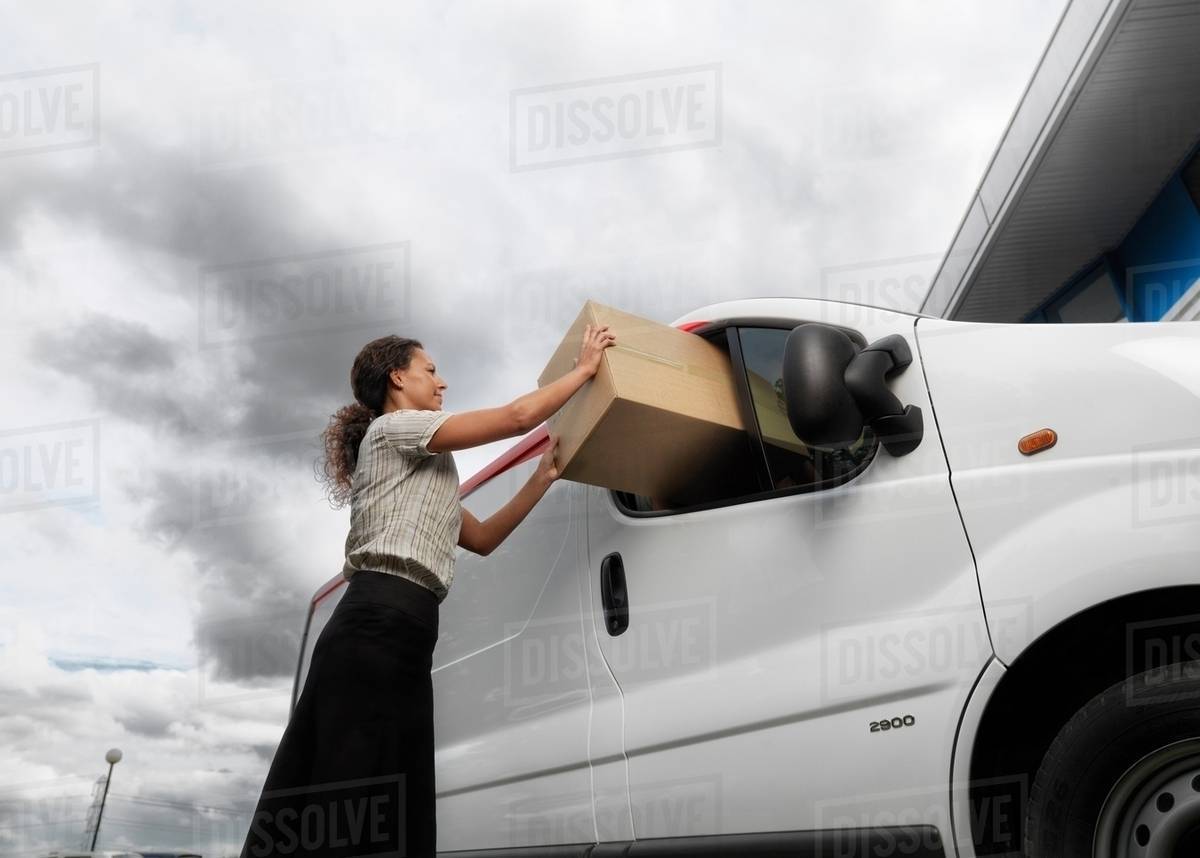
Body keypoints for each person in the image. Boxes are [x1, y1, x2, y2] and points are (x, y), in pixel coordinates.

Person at [239, 323, 616, 858]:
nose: (441, 384)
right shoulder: (394, 430)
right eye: (431, 371)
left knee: (394, 803)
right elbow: (516, 417)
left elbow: (482, 538)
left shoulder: (428, 472)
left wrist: (542, 479)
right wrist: (584, 368)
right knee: (348, 798)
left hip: (408, 633)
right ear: (398, 378)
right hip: (375, 622)